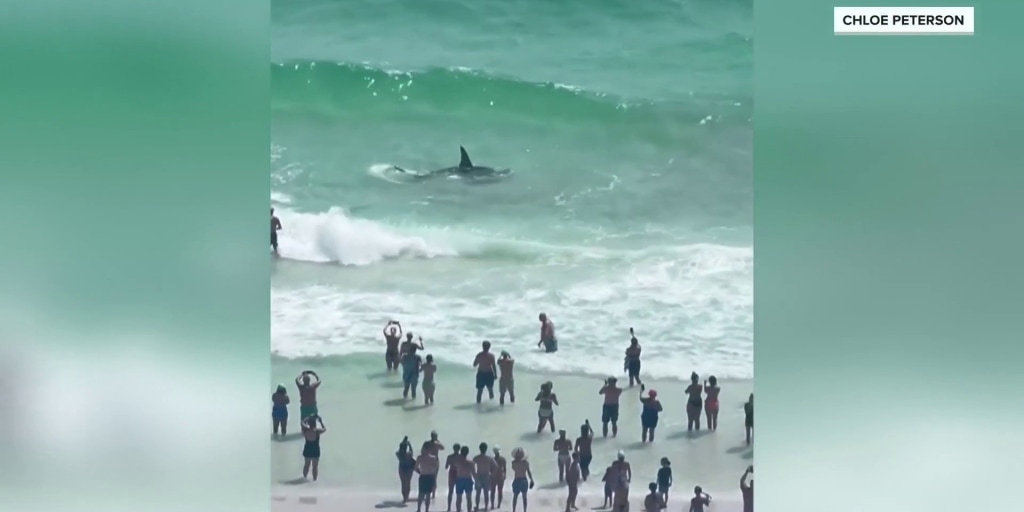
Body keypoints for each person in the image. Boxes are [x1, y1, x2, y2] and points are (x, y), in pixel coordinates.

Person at [415, 441, 440, 512]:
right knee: (428, 494)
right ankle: (426, 510)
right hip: (430, 476)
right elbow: (436, 468)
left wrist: (420, 472)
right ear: (430, 450)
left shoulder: (420, 457)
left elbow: (416, 468)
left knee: (421, 494)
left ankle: (419, 509)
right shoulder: (434, 458)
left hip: (423, 475)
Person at [473, 442, 498, 511]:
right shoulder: (489, 458)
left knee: (478, 493)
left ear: (479, 449)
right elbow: (496, 467)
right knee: (486, 493)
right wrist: (492, 475)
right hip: (487, 476)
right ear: (486, 449)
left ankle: (477, 506)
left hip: (478, 476)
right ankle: (486, 507)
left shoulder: (476, 458)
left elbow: (471, 466)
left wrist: (474, 475)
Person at [301, 415, 326, 481]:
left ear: (309, 423)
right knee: (315, 467)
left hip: (307, 449)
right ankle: (314, 480)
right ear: (315, 424)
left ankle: (304, 478)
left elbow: (302, 423)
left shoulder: (305, 431)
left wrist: (307, 418)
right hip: (315, 450)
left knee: (306, 465)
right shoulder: (317, 431)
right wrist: (320, 421)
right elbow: (324, 429)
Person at [509, 447, 535, 512]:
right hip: (524, 480)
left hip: (517, 480)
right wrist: (531, 479)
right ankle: (525, 510)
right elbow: (528, 471)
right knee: (524, 497)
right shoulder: (526, 463)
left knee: (515, 497)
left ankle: (514, 510)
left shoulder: (513, 463)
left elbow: (514, 468)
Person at [453, 445, 475, 512]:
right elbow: (473, 473)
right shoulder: (471, 463)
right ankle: (469, 510)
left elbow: (454, 470)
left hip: (459, 479)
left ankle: (458, 510)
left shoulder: (457, 461)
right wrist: (477, 481)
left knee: (458, 498)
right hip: (468, 479)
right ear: (467, 453)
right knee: (469, 498)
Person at [397, 437, 417, 503]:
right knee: (408, 483)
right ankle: (407, 497)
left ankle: (404, 498)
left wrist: (403, 444)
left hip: (402, 468)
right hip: (409, 468)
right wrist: (409, 444)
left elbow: (399, 449)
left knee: (403, 483)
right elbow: (412, 451)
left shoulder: (398, 454)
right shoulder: (409, 454)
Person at [444, 443, 462, 510]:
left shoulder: (450, 457)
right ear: (459, 449)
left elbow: (446, 467)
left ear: (453, 449)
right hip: (459, 473)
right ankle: (458, 508)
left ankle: (449, 507)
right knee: (459, 492)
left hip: (451, 473)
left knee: (450, 491)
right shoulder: (461, 457)